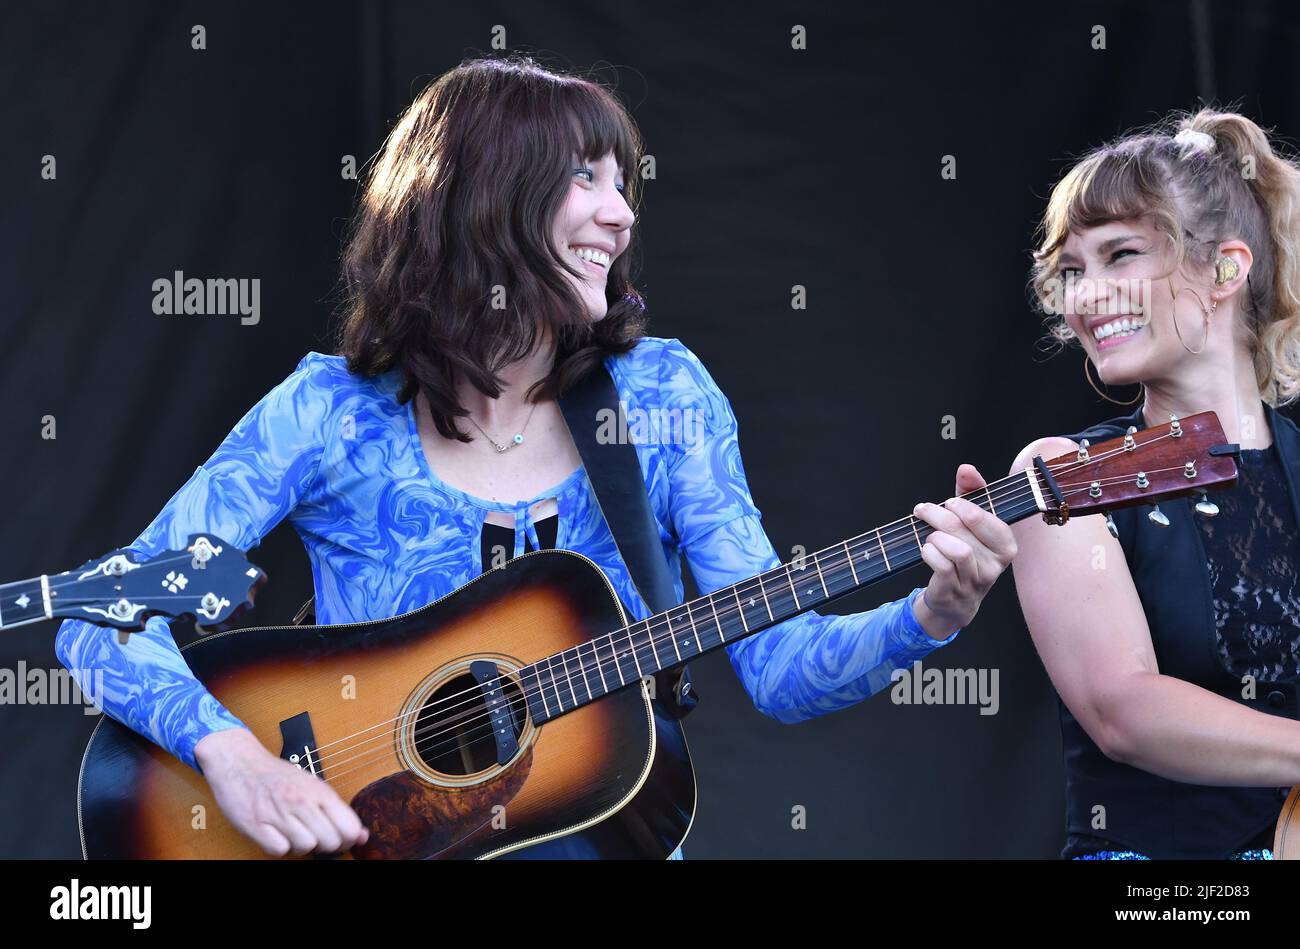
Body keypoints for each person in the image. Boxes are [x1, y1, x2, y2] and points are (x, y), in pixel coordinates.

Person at [57, 54, 1017, 859]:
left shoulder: (662, 398)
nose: (623, 214)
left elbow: (778, 667)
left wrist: (930, 612)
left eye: (625, 183)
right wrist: (237, 757)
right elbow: (98, 618)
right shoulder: (328, 410)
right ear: (483, 199)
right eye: (585, 178)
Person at [1011, 108, 1300, 859]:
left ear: (1227, 269)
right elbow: (1123, 709)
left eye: (1120, 255)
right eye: (1072, 269)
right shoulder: (1060, 474)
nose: (1084, 295)